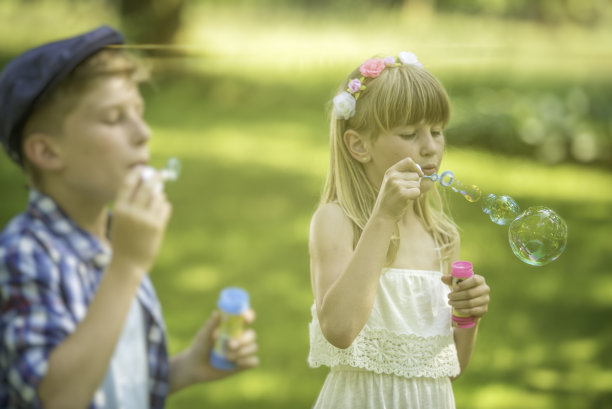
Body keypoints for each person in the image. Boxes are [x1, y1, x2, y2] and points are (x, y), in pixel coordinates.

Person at [0, 26, 259, 409]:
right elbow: (58, 397)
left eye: (139, 112)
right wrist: (127, 266)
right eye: (114, 117)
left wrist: (186, 367)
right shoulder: (24, 253)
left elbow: (108, 381)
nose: (143, 133)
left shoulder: (114, 238)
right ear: (47, 152)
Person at [308, 51, 491, 408]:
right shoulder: (336, 221)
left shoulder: (441, 236)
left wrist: (468, 317)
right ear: (359, 145)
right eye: (410, 133)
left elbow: (450, 367)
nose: (430, 148)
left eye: (437, 132)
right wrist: (383, 218)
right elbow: (340, 331)